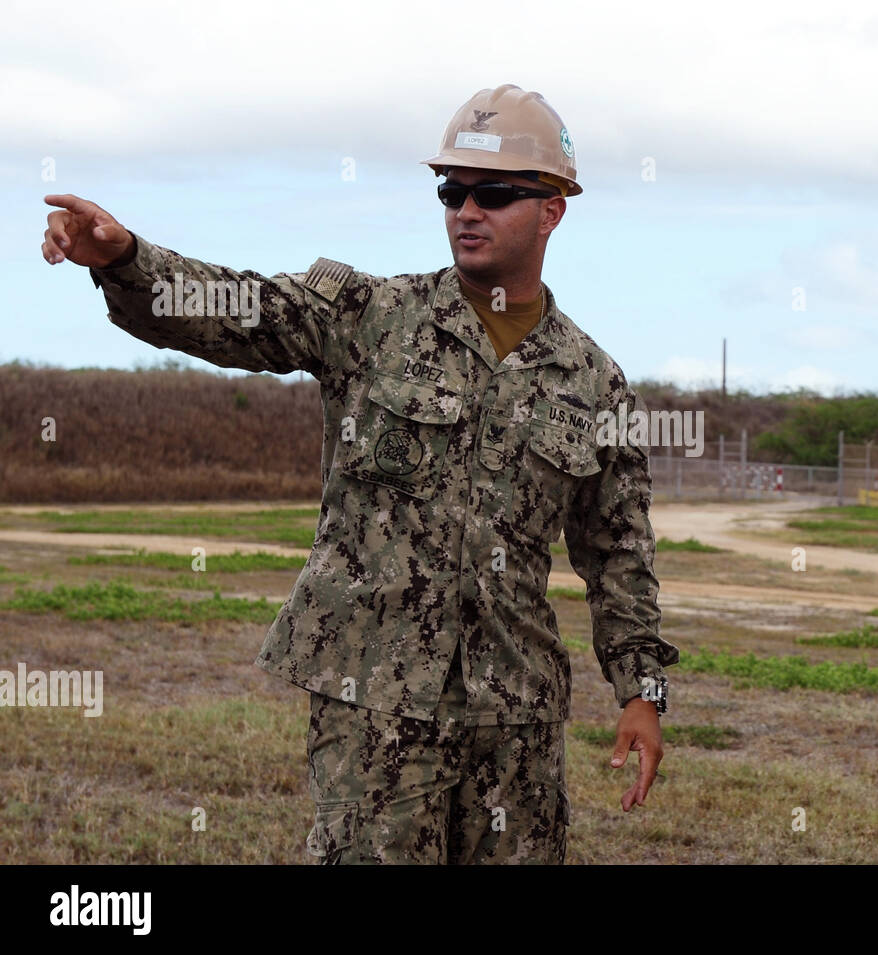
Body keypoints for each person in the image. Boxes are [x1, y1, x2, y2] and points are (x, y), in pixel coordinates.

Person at [40, 84, 679, 865]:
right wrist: (130, 261)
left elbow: (618, 551)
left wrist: (642, 690)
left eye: (494, 193)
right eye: (452, 190)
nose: (465, 210)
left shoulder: (593, 380)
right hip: (374, 706)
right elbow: (248, 311)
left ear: (552, 210)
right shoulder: (373, 318)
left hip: (514, 719)